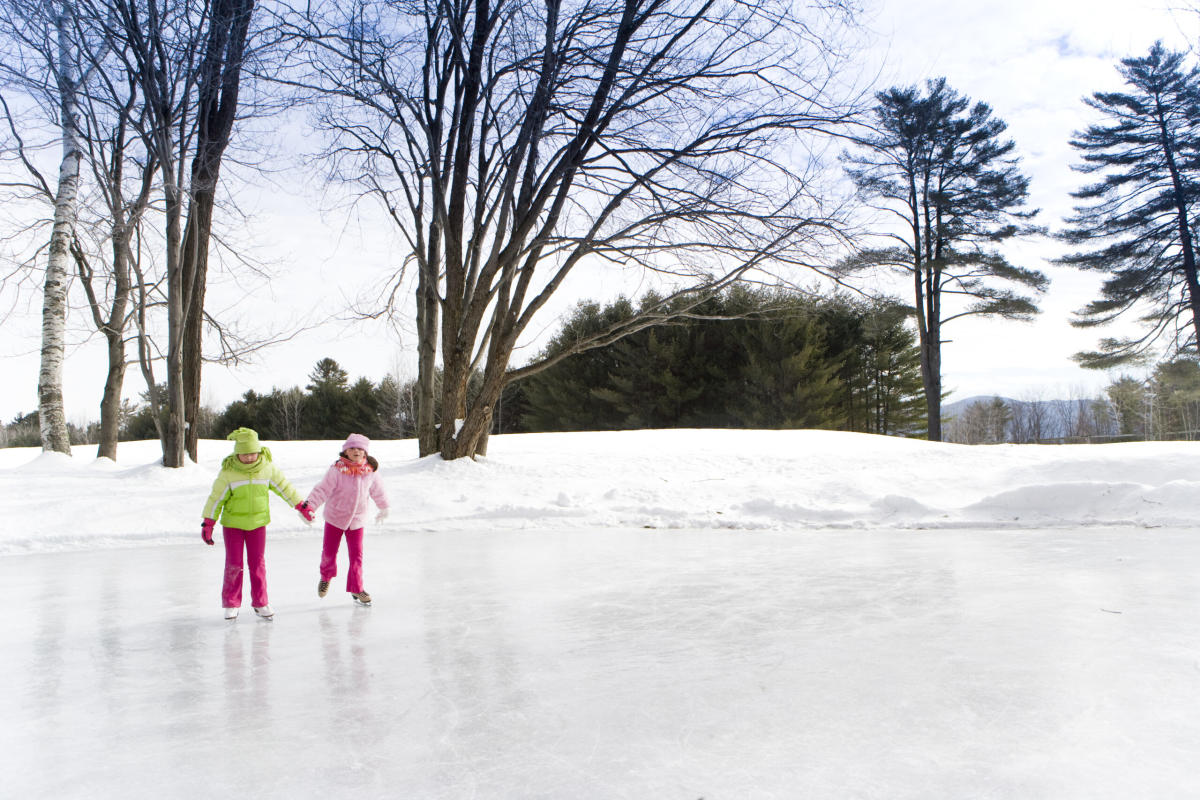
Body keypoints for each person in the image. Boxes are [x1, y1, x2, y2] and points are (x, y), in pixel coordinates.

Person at [201, 427, 309, 621]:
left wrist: (300, 505)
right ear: (237, 453)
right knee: (234, 563)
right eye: (245, 454)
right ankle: (231, 603)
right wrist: (209, 522)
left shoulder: (267, 468)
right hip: (233, 524)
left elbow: (284, 487)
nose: (250, 457)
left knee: (257, 563)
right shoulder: (229, 472)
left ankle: (261, 602)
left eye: (253, 453)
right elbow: (216, 498)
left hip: (258, 524)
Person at [300, 433, 389, 607]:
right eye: (352, 448)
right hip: (335, 518)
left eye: (360, 449)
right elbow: (322, 490)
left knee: (357, 556)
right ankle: (325, 577)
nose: (356, 451)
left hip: (357, 521)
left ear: (365, 453)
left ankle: (357, 587)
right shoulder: (337, 470)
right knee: (329, 552)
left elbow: (378, 491)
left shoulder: (370, 472)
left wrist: (384, 507)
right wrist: (309, 507)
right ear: (345, 452)